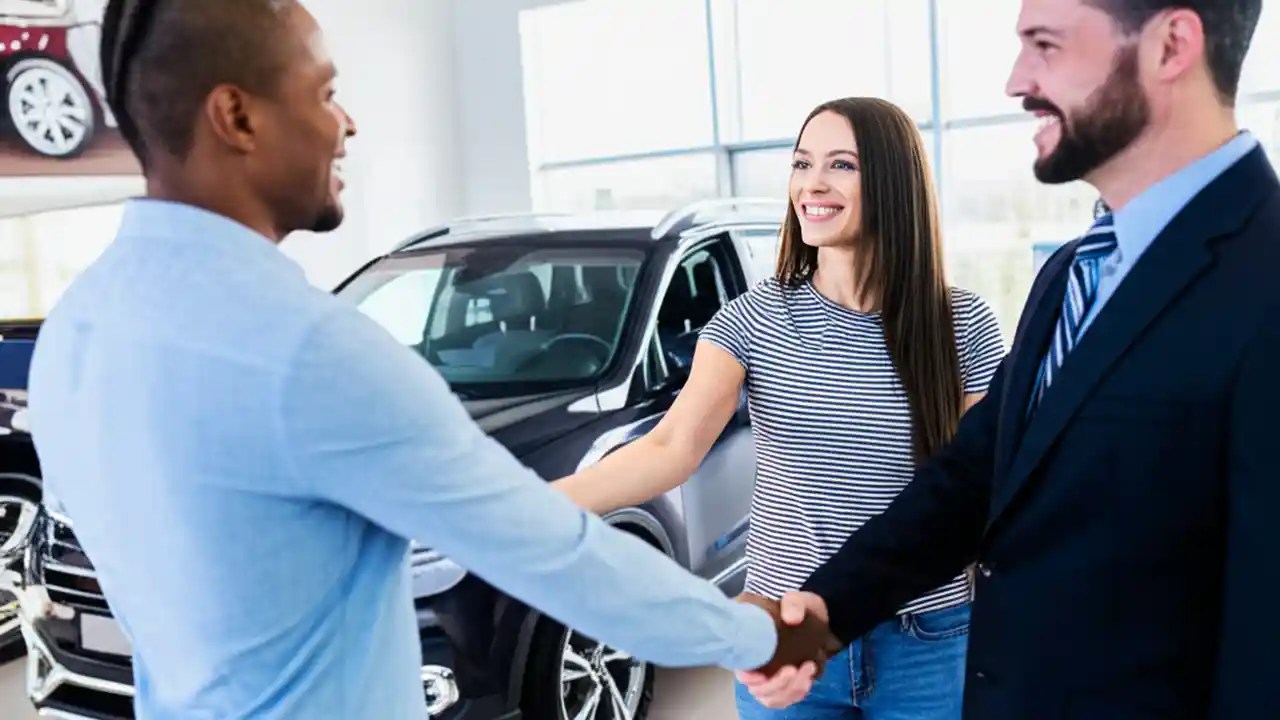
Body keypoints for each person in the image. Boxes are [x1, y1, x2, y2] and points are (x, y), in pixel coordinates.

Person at [24, 1, 839, 717]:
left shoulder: (73, 334)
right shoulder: (307, 351)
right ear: (236, 117)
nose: (347, 124)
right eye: (325, 92)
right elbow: (552, 553)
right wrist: (758, 633)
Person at [740, 0, 1277, 717]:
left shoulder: (1265, 278)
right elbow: (976, 475)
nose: (1015, 80)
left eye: (1045, 45)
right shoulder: (1073, 273)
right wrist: (829, 612)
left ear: (1171, 45)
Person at [553, 96, 1006, 718]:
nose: (812, 184)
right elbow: (670, 448)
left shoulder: (963, 323)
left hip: (929, 640)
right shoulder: (752, 319)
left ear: (894, 182)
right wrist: (535, 507)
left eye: (841, 165)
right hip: (782, 633)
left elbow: (983, 489)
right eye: (802, 163)